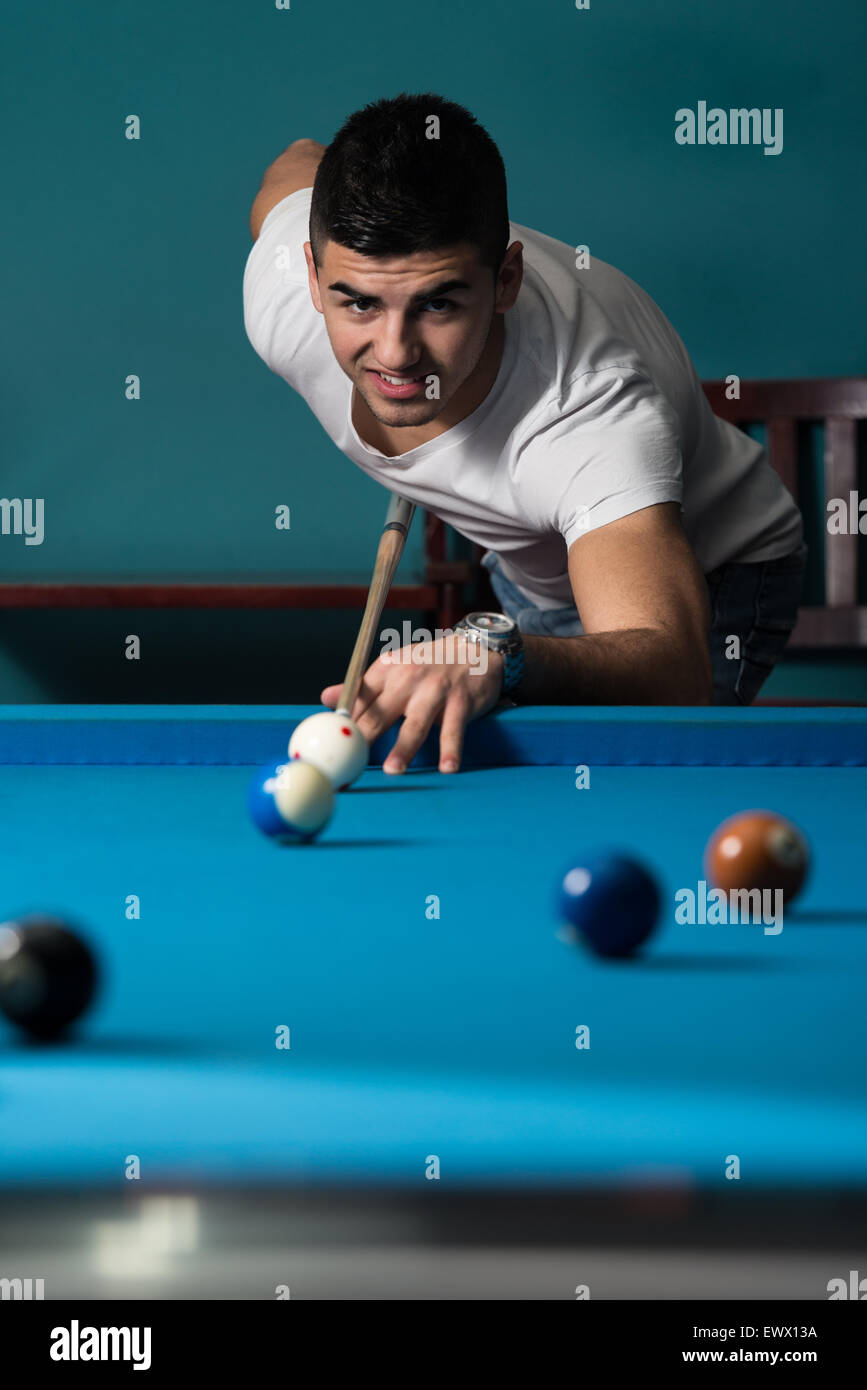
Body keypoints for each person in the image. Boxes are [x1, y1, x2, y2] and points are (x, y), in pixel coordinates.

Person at [243, 93, 805, 774]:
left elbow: (670, 673)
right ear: (310, 272)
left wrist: (492, 651)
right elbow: (298, 161)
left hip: (710, 576)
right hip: (530, 570)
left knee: (649, 785)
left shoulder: (589, 410)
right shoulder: (283, 304)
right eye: (358, 301)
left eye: (438, 302)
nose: (393, 353)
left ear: (505, 279)